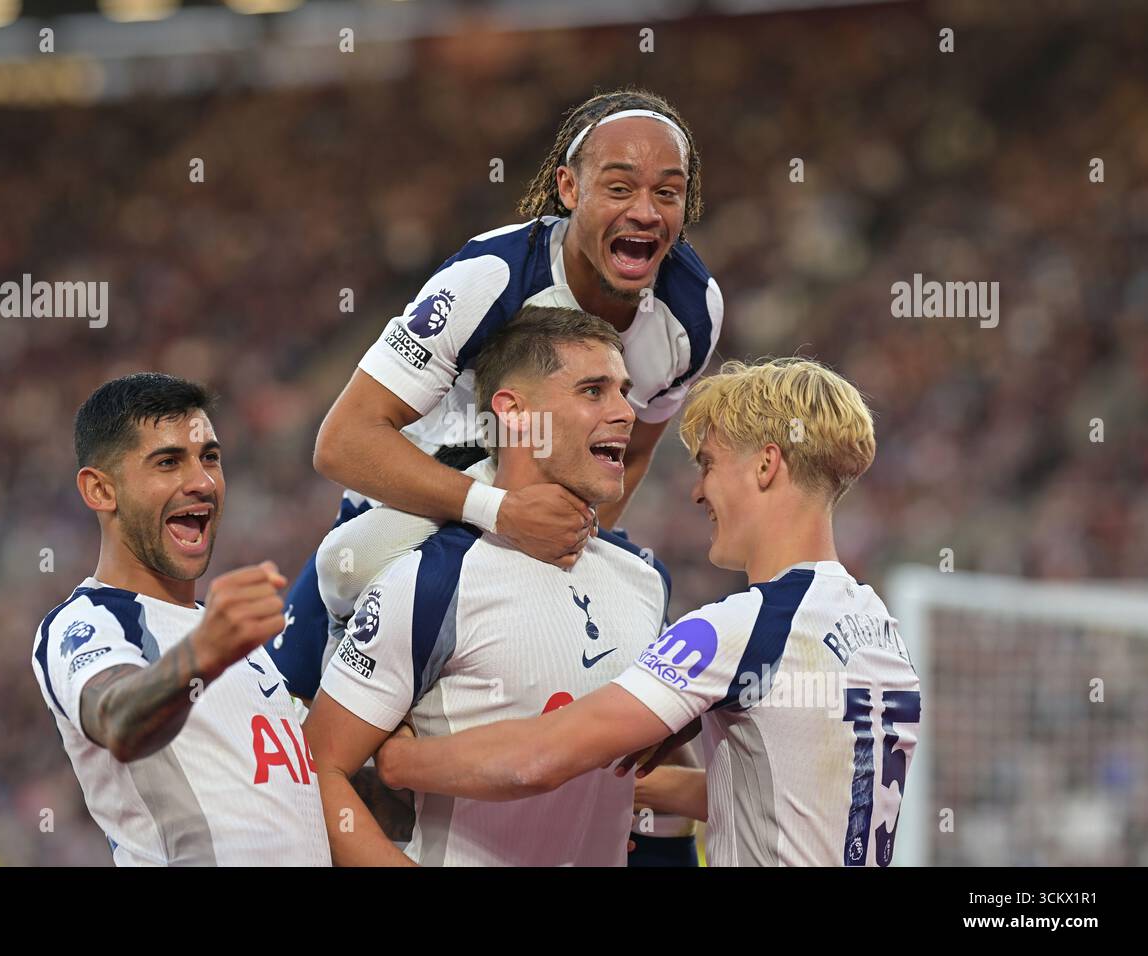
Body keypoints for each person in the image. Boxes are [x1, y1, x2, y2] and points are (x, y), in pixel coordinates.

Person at [375, 358, 922, 867]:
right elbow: (802, 797)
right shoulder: (878, 627)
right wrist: (628, 791)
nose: (697, 491)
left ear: (766, 464)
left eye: (708, 464)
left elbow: (537, 759)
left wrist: (401, 762)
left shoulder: (744, 629)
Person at [272, 88, 724, 704]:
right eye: (619, 188)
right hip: (414, 508)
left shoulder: (693, 313)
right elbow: (343, 443)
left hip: (536, 518)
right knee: (299, 716)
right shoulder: (489, 279)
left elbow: (634, 451)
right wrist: (499, 513)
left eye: (667, 192)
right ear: (569, 188)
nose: (646, 212)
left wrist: (568, 543)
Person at [303, 308, 672, 866]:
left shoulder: (644, 580)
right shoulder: (431, 581)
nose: (624, 413)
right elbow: (317, 769)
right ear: (514, 411)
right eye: (593, 391)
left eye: (624, 392)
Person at [30, 373, 330, 866]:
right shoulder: (88, 620)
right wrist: (203, 654)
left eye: (209, 457)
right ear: (101, 489)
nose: (203, 482)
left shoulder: (238, 643)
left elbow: (304, 801)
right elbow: (117, 719)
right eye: (168, 462)